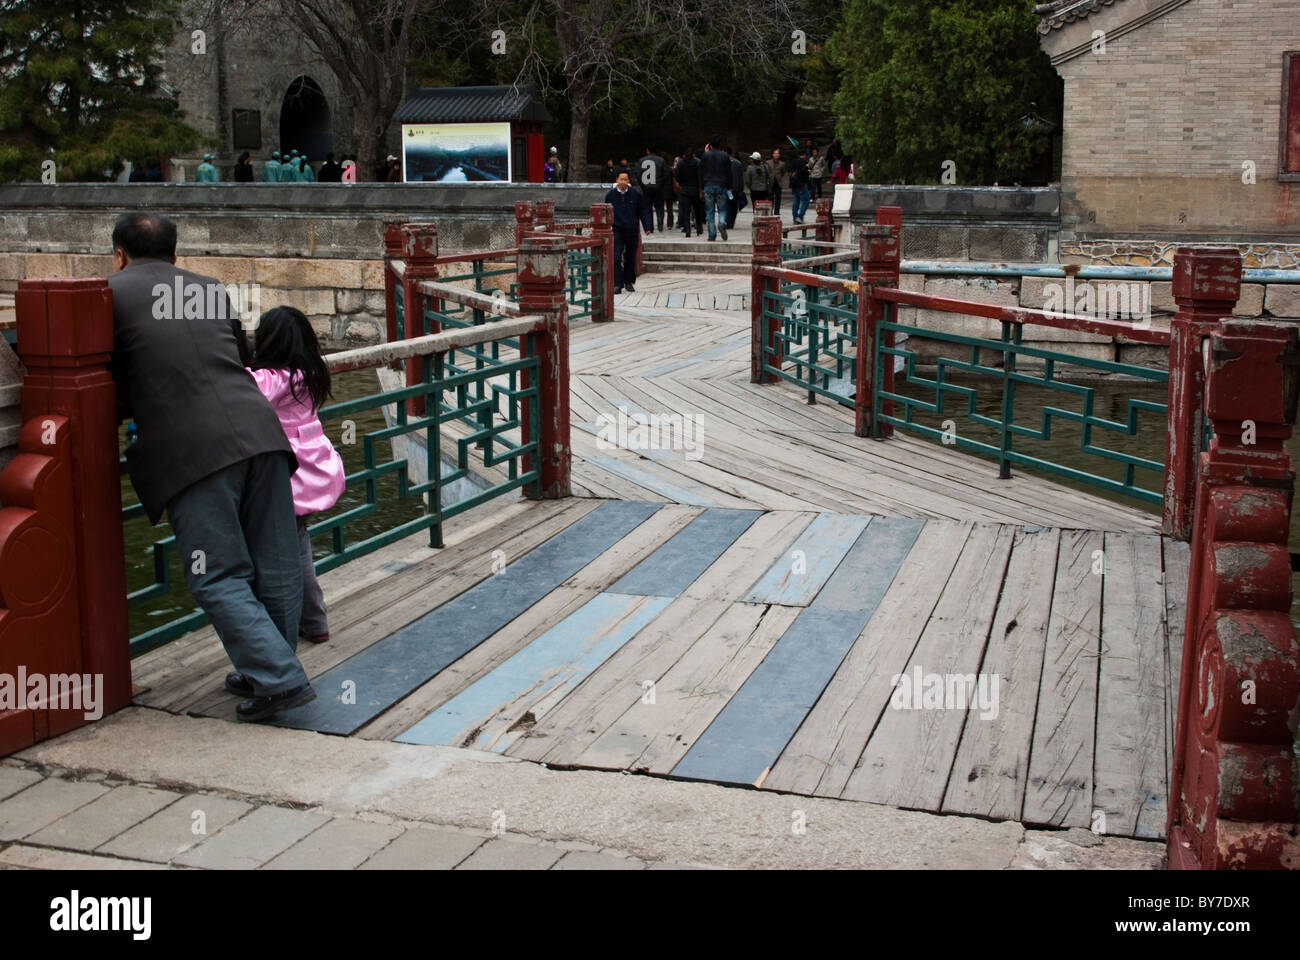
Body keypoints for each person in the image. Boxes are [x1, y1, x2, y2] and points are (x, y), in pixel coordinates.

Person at [107, 212, 315, 721]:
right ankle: (267, 667)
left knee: (216, 573)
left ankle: (279, 677)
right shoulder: (209, 290)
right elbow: (237, 358)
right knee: (277, 561)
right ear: (177, 255)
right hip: (261, 433)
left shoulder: (108, 294)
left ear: (118, 254)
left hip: (194, 450)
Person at [247, 306, 346, 646]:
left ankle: (295, 626)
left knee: (282, 553)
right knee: (299, 542)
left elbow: (238, 389)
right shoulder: (311, 372)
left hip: (288, 474)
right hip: (316, 466)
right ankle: (315, 621)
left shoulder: (274, 379)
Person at [604, 170, 652, 295]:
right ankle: (617, 284)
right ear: (617, 180)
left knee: (630, 257)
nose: (623, 182)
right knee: (616, 256)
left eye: (626, 179)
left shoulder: (635, 194)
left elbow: (643, 210)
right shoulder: (610, 195)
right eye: (621, 179)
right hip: (617, 230)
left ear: (629, 181)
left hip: (632, 229)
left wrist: (647, 226)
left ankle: (629, 281)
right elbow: (606, 212)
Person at [638, 146, 668, 233]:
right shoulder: (661, 160)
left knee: (647, 208)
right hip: (658, 186)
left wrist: (642, 185)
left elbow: (638, 175)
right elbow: (665, 175)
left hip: (646, 187)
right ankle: (660, 221)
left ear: (647, 150)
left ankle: (649, 227)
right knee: (659, 206)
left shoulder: (641, 160)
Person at [674, 147, 703, 237]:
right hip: (695, 189)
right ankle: (699, 228)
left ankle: (687, 230)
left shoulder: (681, 163)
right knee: (697, 210)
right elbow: (700, 176)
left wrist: (681, 183)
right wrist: (701, 188)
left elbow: (677, 176)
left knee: (686, 211)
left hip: (685, 190)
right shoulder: (698, 162)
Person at [790, 148, 811, 223]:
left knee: (796, 200)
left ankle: (795, 217)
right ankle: (800, 216)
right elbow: (803, 171)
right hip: (801, 183)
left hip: (793, 184)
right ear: (804, 155)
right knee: (806, 200)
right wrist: (808, 171)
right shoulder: (803, 162)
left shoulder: (793, 161)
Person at [725, 146, 743, 229]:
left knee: (726, 205)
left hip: (726, 188)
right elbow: (741, 177)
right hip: (735, 188)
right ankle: (731, 222)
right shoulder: (738, 163)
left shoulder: (723, 162)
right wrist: (741, 189)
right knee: (733, 205)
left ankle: (726, 221)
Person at [766, 148, 788, 217]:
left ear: (779, 155)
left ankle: (777, 211)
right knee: (770, 197)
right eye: (775, 153)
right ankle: (770, 210)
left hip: (778, 182)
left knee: (778, 197)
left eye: (777, 153)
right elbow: (767, 171)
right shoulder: (768, 162)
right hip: (771, 181)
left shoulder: (782, 163)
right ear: (772, 154)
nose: (776, 155)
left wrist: (779, 177)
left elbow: (783, 172)